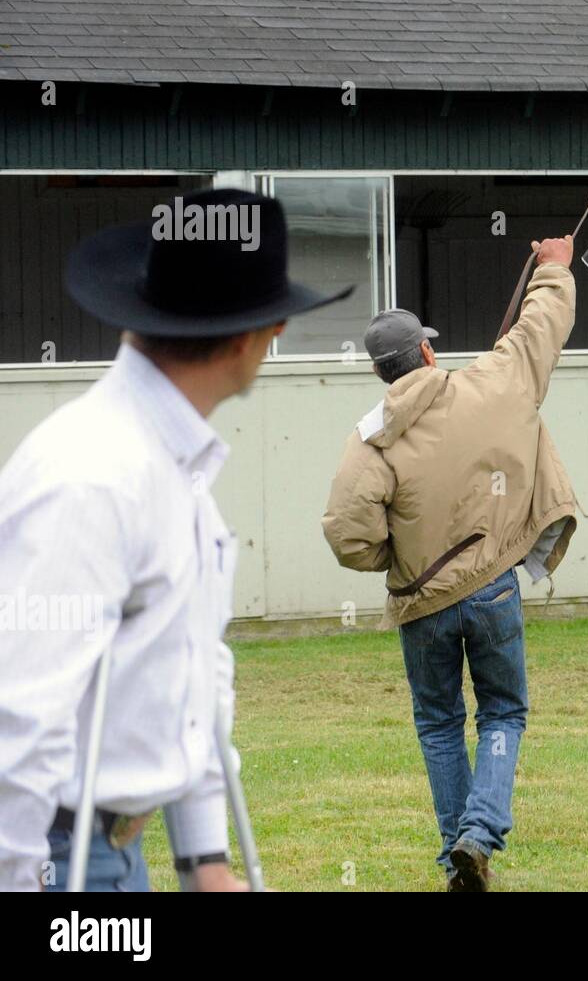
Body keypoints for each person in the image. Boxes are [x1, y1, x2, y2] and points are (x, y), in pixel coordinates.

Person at [0, 189, 350, 891]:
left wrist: (204, 859)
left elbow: (192, 678)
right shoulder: (92, 474)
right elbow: (20, 719)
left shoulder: (168, 462)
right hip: (56, 864)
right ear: (261, 333)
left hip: (115, 855)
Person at [322, 235, 579, 892]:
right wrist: (551, 266)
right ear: (428, 352)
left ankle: (457, 853)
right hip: (494, 589)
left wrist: (398, 550)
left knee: (439, 723)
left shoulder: (371, 433)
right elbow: (538, 329)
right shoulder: (493, 382)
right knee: (502, 712)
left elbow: (349, 533)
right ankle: (479, 834)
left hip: (421, 606)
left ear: (383, 372)